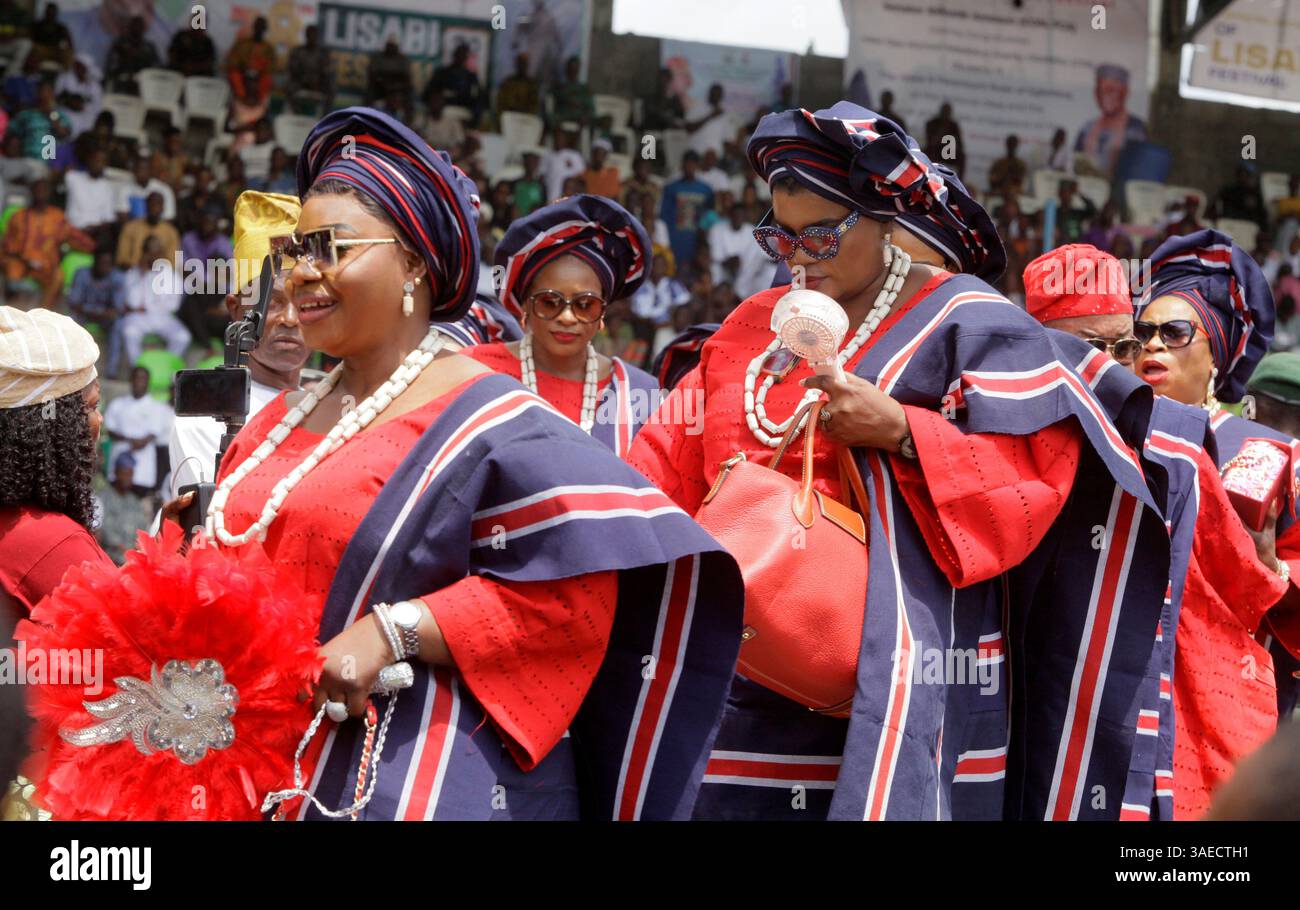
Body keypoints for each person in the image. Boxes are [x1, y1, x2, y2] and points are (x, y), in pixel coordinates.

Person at [629, 101, 1174, 821]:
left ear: (884, 219)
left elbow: (1030, 486)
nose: (796, 257)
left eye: (820, 235)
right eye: (780, 236)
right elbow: (659, 468)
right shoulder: (751, 327)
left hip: (897, 688)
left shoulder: (969, 321)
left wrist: (904, 433)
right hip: (742, 678)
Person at [204, 108, 741, 820]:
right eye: (299, 250)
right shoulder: (280, 419)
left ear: (415, 266)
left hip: (391, 781)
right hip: (246, 766)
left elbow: (572, 600)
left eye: (331, 248)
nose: (304, 272)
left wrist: (392, 630)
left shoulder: (494, 416)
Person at [1021, 243, 1271, 821]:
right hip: (1026, 692)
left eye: (1125, 346)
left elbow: (1245, 587)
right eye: (1089, 348)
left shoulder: (1195, 447)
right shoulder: (1002, 422)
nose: (1119, 361)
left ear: (1217, 356)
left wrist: (1273, 570)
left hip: (1140, 692)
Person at [1132, 230, 1300, 817]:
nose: (1152, 345)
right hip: (1121, 685)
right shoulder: (1111, 438)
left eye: (1174, 333)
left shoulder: (1267, 450)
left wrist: (1270, 564)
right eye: (1141, 334)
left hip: (1226, 695)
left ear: (1216, 355)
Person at [464, 194, 660, 456]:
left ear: (603, 311)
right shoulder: (472, 373)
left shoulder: (640, 394)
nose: (567, 317)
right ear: (525, 306)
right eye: (549, 302)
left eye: (584, 304)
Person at [168, 192, 307, 496]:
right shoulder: (207, 417)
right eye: (272, 303)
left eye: (304, 301)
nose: (291, 318)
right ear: (235, 309)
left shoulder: (338, 401)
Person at [0, 306, 112, 622]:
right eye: (91, 406)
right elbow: (136, 648)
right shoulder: (51, 542)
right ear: (50, 426)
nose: (100, 420)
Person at [1, 177, 93, 308]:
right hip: (20, 262)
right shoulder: (18, 216)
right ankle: (12, 315)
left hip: (46, 266)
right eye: (38, 189)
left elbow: (75, 237)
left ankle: (42, 314)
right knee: (11, 270)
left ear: (50, 193)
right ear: (31, 192)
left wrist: (95, 246)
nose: (41, 193)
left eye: (45, 190)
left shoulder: (57, 217)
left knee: (58, 276)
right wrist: (26, 260)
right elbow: (8, 246)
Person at [104, 364, 174, 497]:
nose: (139, 382)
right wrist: (131, 440)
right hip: (118, 464)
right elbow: (110, 429)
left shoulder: (156, 407)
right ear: (131, 380)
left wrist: (138, 441)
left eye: (142, 379)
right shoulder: (117, 404)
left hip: (143, 468)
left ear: (148, 382)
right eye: (136, 378)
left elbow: (153, 434)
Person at [120, 235, 190, 367]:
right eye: (149, 252)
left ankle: (164, 366)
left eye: (155, 253)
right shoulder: (133, 273)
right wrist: (143, 274)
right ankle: (138, 369)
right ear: (144, 253)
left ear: (161, 254)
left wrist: (151, 307)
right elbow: (132, 302)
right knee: (129, 332)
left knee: (182, 337)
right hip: (140, 317)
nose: (152, 257)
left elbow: (173, 305)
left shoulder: (171, 274)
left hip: (164, 317)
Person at [1074, 64, 1147, 177]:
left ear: (1125, 92)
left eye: (1111, 90)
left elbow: (1135, 168)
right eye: (1100, 90)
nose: (1105, 96)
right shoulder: (1086, 128)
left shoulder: (1135, 129)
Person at [177, 209, 234, 350]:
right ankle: (208, 347)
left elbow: (228, 269)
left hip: (220, 302)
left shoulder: (223, 242)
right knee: (193, 308)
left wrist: (223, 308)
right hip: (198, 287)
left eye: (211, 223)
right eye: (204, 222)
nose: (207, 226)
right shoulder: (188, 239)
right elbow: (184, 270)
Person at [66, 248, 126, 376]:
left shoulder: (118, 278)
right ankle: (70, 366)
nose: (104, 266)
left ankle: (111, 371)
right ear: (95, 261)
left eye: (108, 263)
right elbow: (74, 303)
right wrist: (94, 312)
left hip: (104, 317)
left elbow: (118, 308)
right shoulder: (82, 273)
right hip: (84, 314)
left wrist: (102, 313)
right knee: (70, 320)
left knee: (118, 325)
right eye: (101, 262)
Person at [708, 202, 775, 301]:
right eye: (735, 215)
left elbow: (763, 256)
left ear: (745, 217)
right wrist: (732, 262)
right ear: (729, 215)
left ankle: (746, 297)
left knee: (770, 271)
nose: (737, 218)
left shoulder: (752, 231)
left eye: (740, 216)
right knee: (714, 268)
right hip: (724, 270)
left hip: (746, 272)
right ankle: (722, 298)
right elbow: (717, 257)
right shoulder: (717, 229)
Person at [660, 150, 713, 272]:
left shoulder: (706, 190)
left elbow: (711, 217)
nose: (690, 167)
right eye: (687, 164)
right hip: (676, 238)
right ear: (682, 165)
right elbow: (664, 216)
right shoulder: (671, 188)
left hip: (696, 241)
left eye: (693, 164)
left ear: (697, 166)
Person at [96, 450, 152, 564]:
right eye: (124, 473)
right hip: (110, 559)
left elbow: (142, 530)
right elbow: (105, 533)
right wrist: (125, 549)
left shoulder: (135, 502)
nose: (128, 478)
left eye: (130, 473)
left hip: (132, 560)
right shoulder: (103, 498)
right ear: (116, 472)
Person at [226, 16, 275, 135]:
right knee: (234, 75)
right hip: (243, 76)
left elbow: (271, 68)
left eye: (262, 28)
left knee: (267, 79)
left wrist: (258, 72)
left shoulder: (268, 48)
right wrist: (244, 69)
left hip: (258, 78)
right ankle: (242, 98)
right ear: (254, 28)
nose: (259, 30)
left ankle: (257, 101)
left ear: (265, 30)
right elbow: (232, 62)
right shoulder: (242, 44)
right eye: (258, 27)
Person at [63, 148, 118, 247]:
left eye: (102, 161)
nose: (98, 164)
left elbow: (108, 219)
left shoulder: (107, 187)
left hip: (95, 234)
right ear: (88, 160)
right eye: (95, 160)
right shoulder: (73, 178)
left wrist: (94, 229)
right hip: (71, 230)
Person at [8, 79, 70, 161]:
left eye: (49, 91)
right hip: (29, 162)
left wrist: (51, 114)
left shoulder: (60, 115)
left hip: (53, 164)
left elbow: (64, 134)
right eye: (43, 91)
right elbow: (12, 136)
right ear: (37, 93)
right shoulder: (26, 115)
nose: (45, 94)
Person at [116, 191, 180, 269]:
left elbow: (173, 262)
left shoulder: (171, 232)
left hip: (161, 274)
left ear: (163, 208)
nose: (154, 208)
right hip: (133, 272)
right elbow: (122, 259)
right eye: (152, 205)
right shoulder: (130, 227)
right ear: (145, 206)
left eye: (158, 205)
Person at [423, 43, 482, 125]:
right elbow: (429, 93)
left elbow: (477, 97)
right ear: (454, 55)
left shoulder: (471, 76)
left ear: (466, 58)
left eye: (464, 55)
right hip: (443, 109)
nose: (461, 58)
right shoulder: (442, 73)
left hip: (465, 110)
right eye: (459, 55)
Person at [103, 14, 159, 94]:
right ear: (129, 27)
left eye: (140, 26)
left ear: (144, 29)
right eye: (134, 25)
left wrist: (141, 59)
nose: (137, 28)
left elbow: (156, 67)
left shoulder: (149, 48)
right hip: (121, 85)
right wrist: (126, 59)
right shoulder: (119, 45)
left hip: (144, 86)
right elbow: (110, 68)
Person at [54, 53, 103, 137]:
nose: (78, 69)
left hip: (86, 120)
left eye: (82, 67)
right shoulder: (64, 78)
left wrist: (83, 106)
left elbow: (97, 108)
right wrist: (70, 102)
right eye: (77, 66)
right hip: (66, 115)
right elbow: (56, 98)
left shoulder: (95, 87)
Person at [287, 24, 332, 114]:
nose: (312, 37)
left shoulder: (323, 53)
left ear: (317, 36)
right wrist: (306, 80)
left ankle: (325, 115)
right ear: (306, 36)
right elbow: (293, 70)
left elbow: (326, 71)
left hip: (318, 84)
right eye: (309, 34)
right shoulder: (298, 51)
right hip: (301, 82)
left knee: (331, 87)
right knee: (290, 85)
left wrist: (317, 82)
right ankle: (296, 113)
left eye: (314, 35)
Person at [116, 155, 176, 222]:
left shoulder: (164, 189)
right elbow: (123, 216)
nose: (139, 172)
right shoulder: (124, 189)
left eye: (143, 169)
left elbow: (168, 218)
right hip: (134, 229)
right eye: (137, 169)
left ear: (151, 170)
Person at [686, 83, 736, 156]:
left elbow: (728, 140)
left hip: (715, 157)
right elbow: (688, 128)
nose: (715, 97)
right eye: (714, 94)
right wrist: (710, 116)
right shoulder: (696, 106)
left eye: (718, 95)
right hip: (695, 154)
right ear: (709, 94)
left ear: (721, 97)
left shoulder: (725, 115)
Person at [366, 36, 412, 116]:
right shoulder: (377, 57)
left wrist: (395, 87)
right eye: (389, 45)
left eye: (393, 46)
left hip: (398, 87)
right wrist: (384, 84)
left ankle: (408, 120)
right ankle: (366, 115)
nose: (391, 48)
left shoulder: (403, 59)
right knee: (369, 92)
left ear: (397, 47)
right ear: (386, 46)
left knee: (409, 95)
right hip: (380, 86)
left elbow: (407, 78)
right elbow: (372, 75)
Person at [539, 124, 584, 202]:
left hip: (570, 199)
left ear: (565, 139)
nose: (558, 139)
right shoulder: (547, 156)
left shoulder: (574, 156)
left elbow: (581, 178)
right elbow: (542, 177)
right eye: (556, 137)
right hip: (552, 197)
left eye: (561, 137)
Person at [548, 54, 592, 133]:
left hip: (579, 117)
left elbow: (589, 106)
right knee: (554, 123)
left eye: (575, 70)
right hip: (562, 116)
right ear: (566, 70)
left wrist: (586, 115)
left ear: (578, 70)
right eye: (571, 69)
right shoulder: (559, 87)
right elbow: (552, 100)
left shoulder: (584, 89)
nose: (572, 72)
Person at [922, 102, 964, 179]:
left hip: (948, 152)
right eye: (944, 111)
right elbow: (930, 141)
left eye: (948, 112)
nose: (946, 113)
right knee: (926, 153)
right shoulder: (931, 123)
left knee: (962, 156)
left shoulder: (953, 125)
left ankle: (960, 182)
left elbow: (959, 142)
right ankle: (925, 177)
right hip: (934, 150)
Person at [640, 67, 684, 132]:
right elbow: (650, 113)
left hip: (670, 132)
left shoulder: (675, 99)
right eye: (662, 78)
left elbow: (679, 116)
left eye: (667, 79)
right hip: (652, 131)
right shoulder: (650, 98)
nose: (664, 82)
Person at [496, 52, 540, 116]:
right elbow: (500, 104)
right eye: (520, 63)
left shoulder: (532, 85)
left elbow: (534, 106)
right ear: (516, 64)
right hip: (508, 118)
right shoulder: (507, 83)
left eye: (524, 63)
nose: (522, 66)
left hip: (526, 119)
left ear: (527, 65)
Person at [511, 149, 545, 216]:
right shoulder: (515, 184)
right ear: (524, 163)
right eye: (528, 161)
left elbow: (543, 206)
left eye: (533, 162)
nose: (530, 165)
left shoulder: (541, 186)